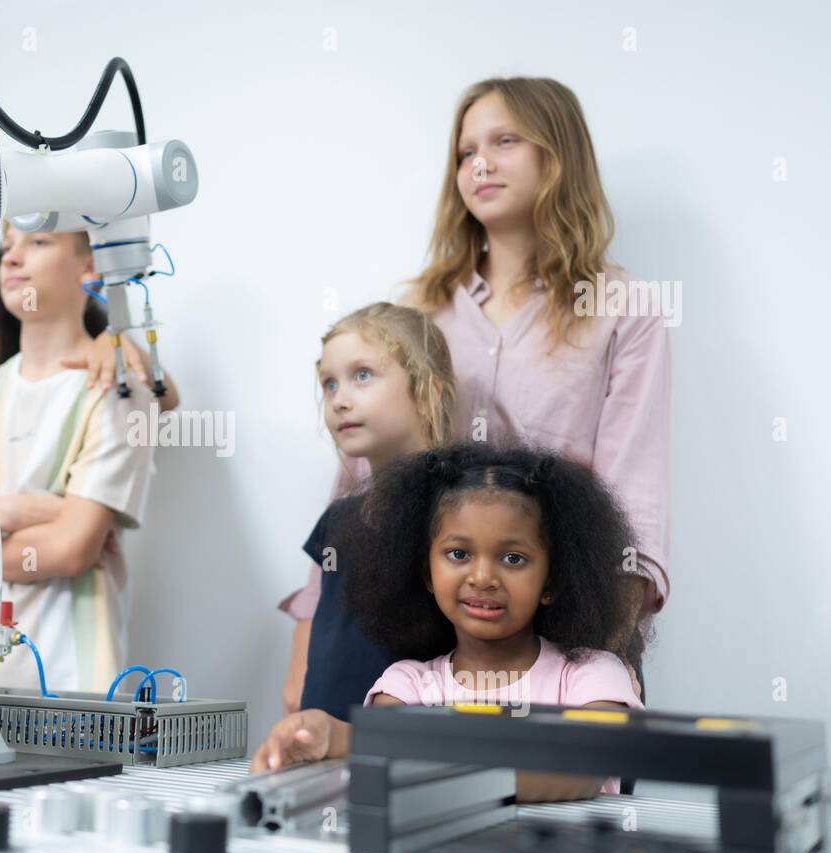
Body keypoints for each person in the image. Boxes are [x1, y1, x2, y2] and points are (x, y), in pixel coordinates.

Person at [280, 76, 668, 713]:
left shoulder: (624, 308)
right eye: (465, 152)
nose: (478, 163)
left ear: (557, 154)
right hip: (436, 640)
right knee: (422, 801)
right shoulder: (418, 309)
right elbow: (357, 487)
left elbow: (636, 493)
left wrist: (599, 653)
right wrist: (306, 645)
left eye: (504, 141)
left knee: (560, 803)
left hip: (565, 620)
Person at [254, 443, 647, 803]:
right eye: (458, 553)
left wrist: (439, 770)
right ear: (426, 572)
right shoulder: (408, 684)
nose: (482, 577)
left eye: (513, 559)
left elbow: (578, 770)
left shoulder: (593, 675)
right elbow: (373, 743)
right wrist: (324, 732)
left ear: (552, 581)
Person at [0, 227, 156, 692]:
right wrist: (6, 512)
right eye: (8, 245)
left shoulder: (120, 391)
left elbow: (70, 550)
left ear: (90, 266)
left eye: (37, 242)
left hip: (77, 695)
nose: (12, 257)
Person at [298, 302, 456, 721]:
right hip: (327, 746)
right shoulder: (340, 520)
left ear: (427, 392)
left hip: (417, 751)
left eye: (362, 375)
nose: (339, 401)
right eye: (329, 384)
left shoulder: (464, 515)